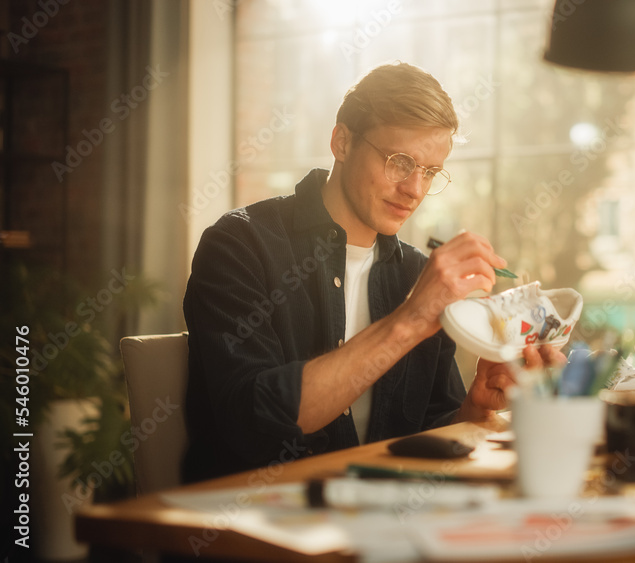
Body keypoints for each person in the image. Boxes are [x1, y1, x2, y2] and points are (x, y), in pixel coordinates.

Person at [181, 61, 563, 483]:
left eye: (430, 172)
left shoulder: (416, 271)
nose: (415, 190)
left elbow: (427, 438)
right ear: (342, 142)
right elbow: (252, 422)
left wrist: (476, 407)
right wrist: (411, 319)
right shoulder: (239, 245)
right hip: (256, 522)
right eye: (400, 162)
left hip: (383, 522)